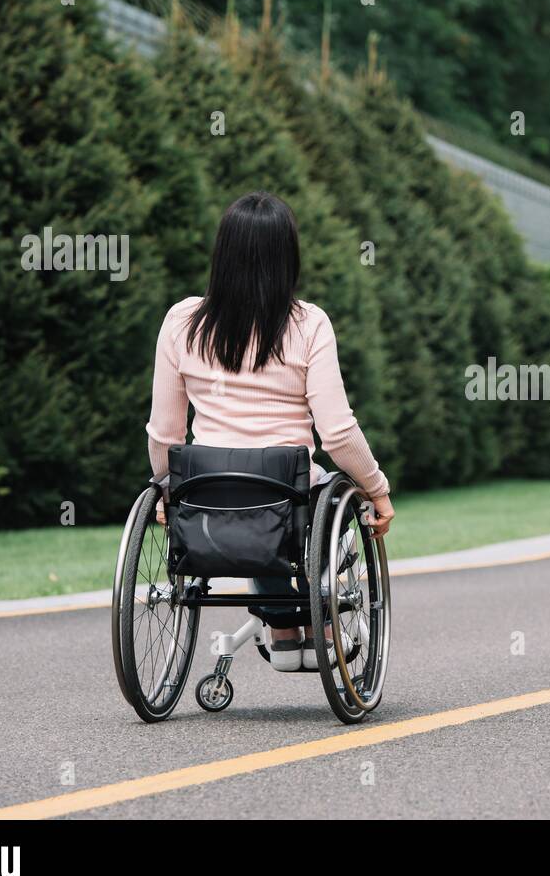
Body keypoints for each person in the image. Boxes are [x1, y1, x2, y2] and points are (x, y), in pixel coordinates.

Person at [145, 191, 394, 671]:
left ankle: (282, 631)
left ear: (222, 254)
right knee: (323, 498)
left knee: (264, 505)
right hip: (286, 485)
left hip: (204, 488)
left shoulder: (182, 323)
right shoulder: (308, 324)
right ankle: (324, 625)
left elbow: (165, 432)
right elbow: (338, 434)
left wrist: (165, 487)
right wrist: (376, 489)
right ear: (288, 257)